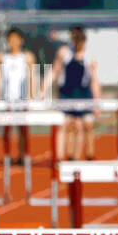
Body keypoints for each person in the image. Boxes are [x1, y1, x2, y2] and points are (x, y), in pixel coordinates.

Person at [44, 25, 101, 161]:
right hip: (67, 93)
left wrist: (97, 101)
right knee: (63, 124)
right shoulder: (64, 52)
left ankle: (78, 157)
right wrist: (44, 88)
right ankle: (59, 158)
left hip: (83, 92)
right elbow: (54, 71)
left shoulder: (90, 56)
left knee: (81, 125)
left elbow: (94, 80)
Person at [0, 27, 37, 165]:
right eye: (10, 40)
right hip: (7, 98)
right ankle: (7, 155)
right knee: (6, 129)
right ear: (7, 41)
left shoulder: (27, 57)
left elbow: (31, 77)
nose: (13, 42)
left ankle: (23, 155)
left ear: (21, 41)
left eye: (16, 39)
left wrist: (31, 95)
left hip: (22, 98)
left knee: (23, 129)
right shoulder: (2, 58)